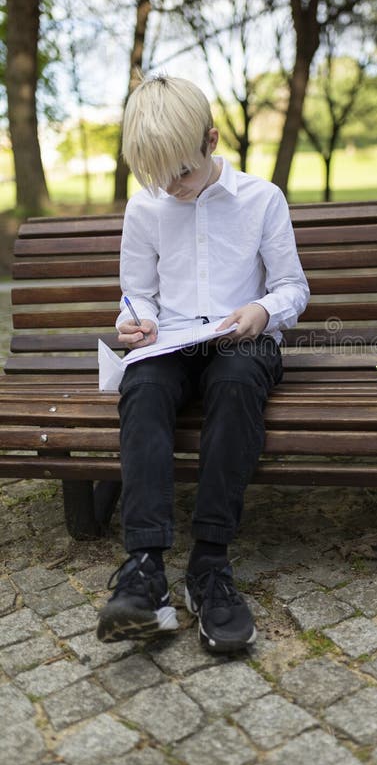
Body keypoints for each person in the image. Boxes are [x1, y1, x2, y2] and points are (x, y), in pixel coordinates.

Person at [96, 73, 309, 653]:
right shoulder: (146, 209)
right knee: (140, 385)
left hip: (242, 339)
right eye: (159, 178)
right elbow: (135, 293)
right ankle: (144, 572)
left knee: (238, 380)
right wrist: (135, 321)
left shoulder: (261, 199)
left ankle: (210, 564)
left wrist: (263, 311)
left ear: (212, 140)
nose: (173, 187)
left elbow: (293, 287)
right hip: (171, 344)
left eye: (181, 172)